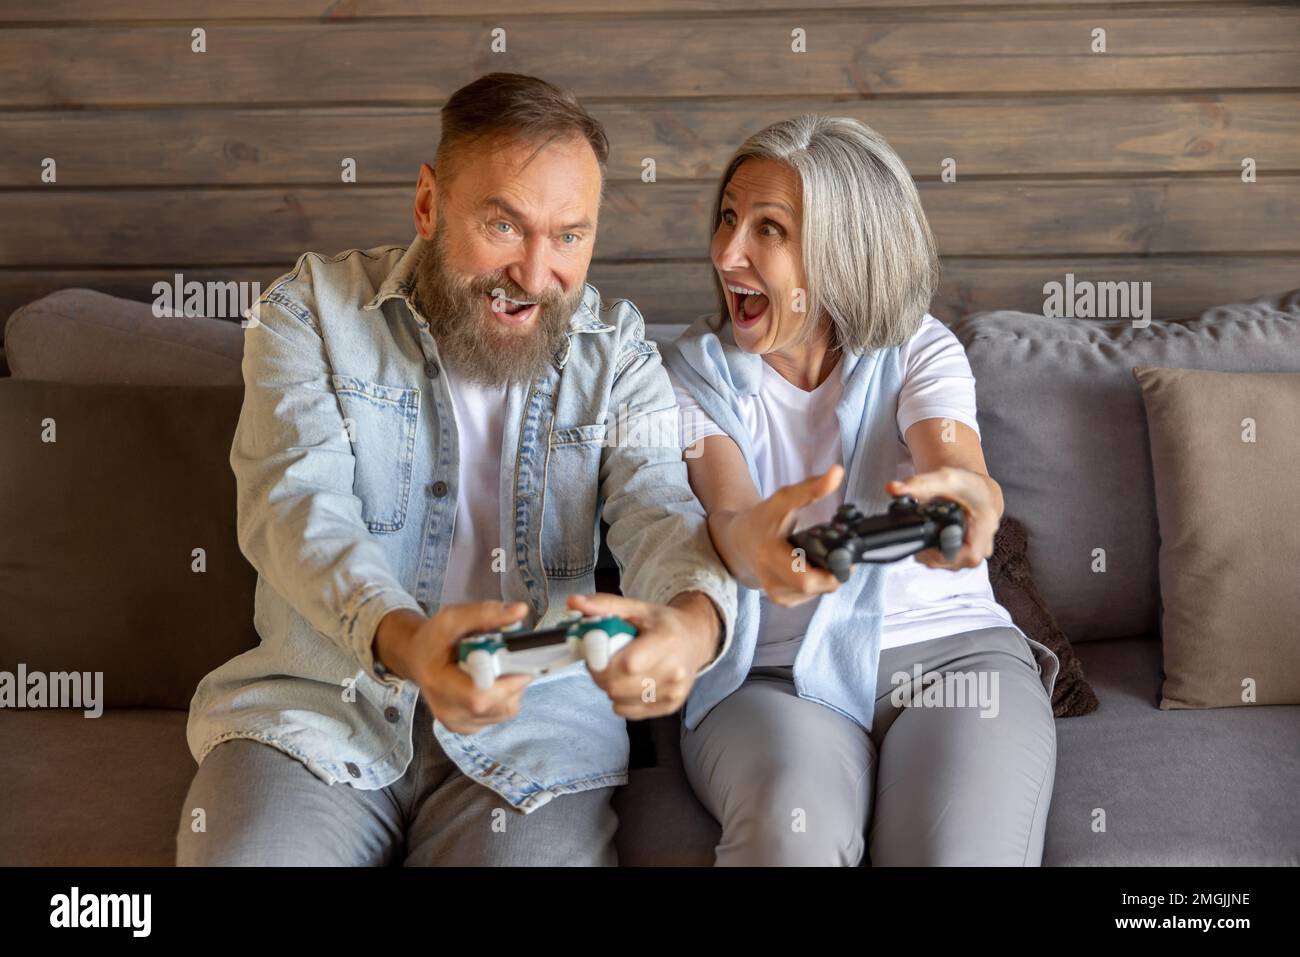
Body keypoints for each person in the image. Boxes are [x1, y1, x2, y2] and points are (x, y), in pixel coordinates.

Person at [176, 73, 735, 867]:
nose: (537, 274)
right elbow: (295, 507)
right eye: (505, 224)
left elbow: (660, 509)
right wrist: (408, 642)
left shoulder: (621, 357)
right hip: (319, 714)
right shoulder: (307, 314)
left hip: (534, 736)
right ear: (429, 204)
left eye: (570, 235)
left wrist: (692, 624)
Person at [663, 115, 1060, 866]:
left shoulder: (917, 349)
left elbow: (955, 458)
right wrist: (759, 549)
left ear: (842, 253)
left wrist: (967, 500)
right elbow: (730, 505)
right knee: (789, 838)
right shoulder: (693, 373)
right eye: (727, 217)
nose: (726, 251)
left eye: (767, 229)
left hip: (953, 659)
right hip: (772, 675)